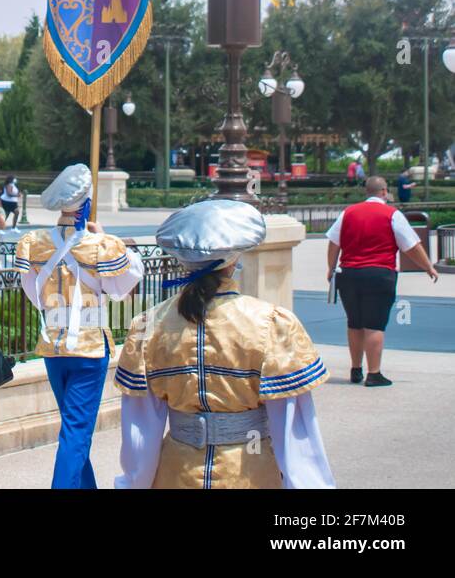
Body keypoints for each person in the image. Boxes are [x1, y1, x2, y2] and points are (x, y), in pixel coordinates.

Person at [115, 199, 335, 489]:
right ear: (234, 260)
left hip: (175, 475)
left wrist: (131, 485)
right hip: (251, 475)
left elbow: (141, 430)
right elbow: (294, 432)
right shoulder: (272, 323)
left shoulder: (148, 326)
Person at [15, 164, 144, 488]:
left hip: (53, 349)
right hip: (88, 350)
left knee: (75, 429)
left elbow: (34, 296)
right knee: (76, 431)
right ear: (85, 203)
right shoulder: (101, 246)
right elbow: (122, 288)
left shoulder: (33, 242)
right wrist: (103, 241)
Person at [326, 175, 439, 386]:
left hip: (348, 274)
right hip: (379, 274)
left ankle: (355, 369)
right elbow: (412, 246)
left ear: (366, 192)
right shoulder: (392, 214)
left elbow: (333, 242)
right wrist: (428, 267)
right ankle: (374, 374)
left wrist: (331, 268)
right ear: (384, 192)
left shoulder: (348, 213)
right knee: (374, 324)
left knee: (354, 323)